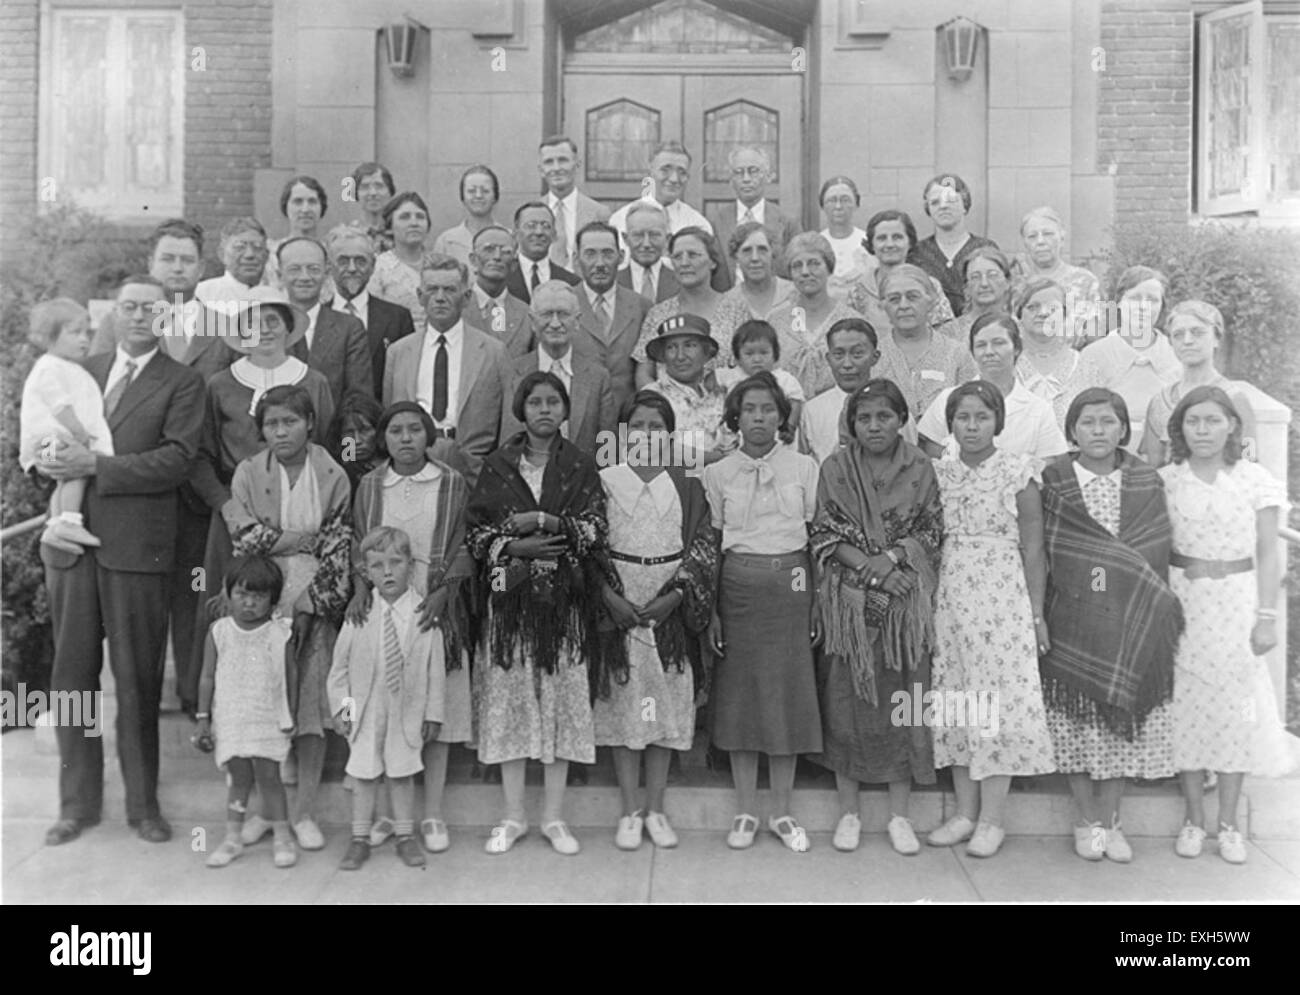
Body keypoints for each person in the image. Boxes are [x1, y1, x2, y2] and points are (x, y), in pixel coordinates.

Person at [39, 273, 206, 847]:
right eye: (128, 307)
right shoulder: (79, 368)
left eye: (150, 309)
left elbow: (178, 460)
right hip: (72, 546)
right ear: (112, 314)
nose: (138, 317)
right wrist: (53, 458)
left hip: (138, 548)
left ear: (167, 318)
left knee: (136, 682)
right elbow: (41, 435)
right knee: (71, 679)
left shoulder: (182, 383)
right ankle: (76, 804)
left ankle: (143, 806)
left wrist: (96, 469)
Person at [466, 371, 618, 856]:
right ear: (521, 409)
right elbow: (476, 534)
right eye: (535, 402)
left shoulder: (579, 464)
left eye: (554, 401)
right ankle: (512, 817)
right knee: (510, 704)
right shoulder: (497, 465)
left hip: (564, 604)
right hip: (509, 603)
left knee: (559, 704)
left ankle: (553, 817)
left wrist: (551, 524)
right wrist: (516, 543)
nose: (544, 410)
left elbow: (597, 529)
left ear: (566, 409)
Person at [91, 219, 234, 714]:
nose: (177, 268)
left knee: (194, 592)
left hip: (195, 490)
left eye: (187, 259)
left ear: (202, 267)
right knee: (140, 603)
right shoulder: (121, 321)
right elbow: (102, 402)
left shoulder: (219, 324)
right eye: (168, 258)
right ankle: (143, 703)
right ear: (152, 264)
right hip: (137, 492)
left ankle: (193, 696)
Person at [1039, 388, 1182, 864]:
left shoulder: (1145, 479)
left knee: (1118, 723)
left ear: (1124, 428)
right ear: (1072, 431)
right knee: (1077, 725)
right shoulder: (1054, 479)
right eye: (1087, 423)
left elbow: (1152, 548)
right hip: (1072, 616)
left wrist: (1124, 590)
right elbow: (1051, 547)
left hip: (1126, 617)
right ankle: (1086, 821)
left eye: (1107, 422)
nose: (1098, 431)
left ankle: (1112, 820)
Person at [811, 379, 944, 855]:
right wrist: (873, 571)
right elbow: (826, 531)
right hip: (850, 602)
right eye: (864, 418)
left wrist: (892, 561)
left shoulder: (921, 466)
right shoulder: (836, 467)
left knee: (902, 699)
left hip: (903, 604)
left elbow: (930, 528)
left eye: (884, 416)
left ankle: (899, 815)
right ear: (851, 424)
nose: (873, 426)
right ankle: (848, 811)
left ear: (902, 419)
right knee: (847, 698)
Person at [1160, 386, 1293, 864]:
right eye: (1193, 421)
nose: (1203, 430)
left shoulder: (1255, 480)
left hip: (1236, 605)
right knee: (1188, 712)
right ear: (1180, 428)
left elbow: (1267, 550)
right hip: (1183, 604)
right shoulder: (1167, 480)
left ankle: (1229, 824)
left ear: (1232, 426)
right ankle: (1194, 819)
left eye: (1213, 421)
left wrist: (1266, 616)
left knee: (1237, 712)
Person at [926, 381, 1055, 858]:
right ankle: (963, 813)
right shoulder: (938, 473)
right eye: (963, 418)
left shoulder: (1018, 472)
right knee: (957, 700)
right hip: (952, 598)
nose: (972, 426)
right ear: (951, 423)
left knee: (996, 704)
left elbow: (1034, 548)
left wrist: (1037, 614)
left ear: (997, 421)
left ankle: (992, 819)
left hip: (1002, 600)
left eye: (982, 417)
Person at [222, 384, 352, 853]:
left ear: (310, 424)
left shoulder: (332, 472)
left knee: (311, 708)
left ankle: (303, 812)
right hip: (261, 600)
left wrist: (311, 606)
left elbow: (338, 546)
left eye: (290, 422)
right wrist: (300, 539)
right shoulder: (248, 473)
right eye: (272, 424)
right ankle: (266, 810)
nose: (281, 431)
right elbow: (245, 537)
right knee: (263, 710)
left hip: (314, 603)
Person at [595, 391, 720, 850]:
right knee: (626, 704)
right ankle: (629, 809)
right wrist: (609, 596)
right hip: (622, 605)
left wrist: (679, 593)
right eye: (638, 426)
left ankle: (658, 807)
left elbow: (705, 544)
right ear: (623, 434)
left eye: (657, 427)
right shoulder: (604, 480)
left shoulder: (687, 481)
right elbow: (589, 547)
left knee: (665, 703)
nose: (647, 435)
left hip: (666, 606)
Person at [704, 372, 822, 851]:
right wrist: (711, 609)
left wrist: (815, 600)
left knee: (786, 697)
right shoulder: (717, 473)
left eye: (768, 409)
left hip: (790, 582)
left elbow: (814, 541)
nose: (758, 418)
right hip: (738, 587)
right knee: (741, 699)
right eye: (749, 409)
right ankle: (747, 811)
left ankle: (783, 812)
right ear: (736, 417)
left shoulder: (805, 468)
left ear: (781, 416)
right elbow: (712, 544)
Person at [350, 403, 474, 856]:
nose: (406, 439)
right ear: (384, 439)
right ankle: (385, 812)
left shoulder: (451, 482)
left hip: (434, 606)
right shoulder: (369, 484)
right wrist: (362, 588)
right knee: (385, 710)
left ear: (429, 436)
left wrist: (444, 595)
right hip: (385, 607)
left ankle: (434, 812)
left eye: (415, 430)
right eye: (396, 431)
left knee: (431, 711)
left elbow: (466, 542)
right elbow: (357, 541)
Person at [329, 525, 443, 870]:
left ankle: (405, 836)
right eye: (378, 566)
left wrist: (433, 714)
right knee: (364, 772)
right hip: (367, 707)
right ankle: (359, 838)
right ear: (366, 572)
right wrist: (344, 711)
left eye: (396, 562)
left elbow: (434, 669)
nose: (388, 571)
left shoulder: (424, 613)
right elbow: (340, 671)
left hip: (405, 708)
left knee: (402, 771)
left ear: (411, 564)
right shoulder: (359, 614)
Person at [193, 555, 298, 869]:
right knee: (239, 778)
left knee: (269, 777)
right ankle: (232, 838)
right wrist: (202, 719)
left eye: (258, 596)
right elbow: (207, 676)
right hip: (231, 717)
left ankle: (282, 836)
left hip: (267, 716)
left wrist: (290, 713)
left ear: (272, 599)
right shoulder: (219, 631)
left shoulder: (280, 633)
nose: (249, 603)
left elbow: (290, 675)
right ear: (228, 593)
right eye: (242, 594)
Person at [381, 253, 513, 486]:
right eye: (432, 290)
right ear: (420, 297)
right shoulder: (399, 352)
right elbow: (389, 413)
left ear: (467, 297)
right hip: (413, 464)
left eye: (450, 290)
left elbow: (508, 424)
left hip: (474, 468)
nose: (440, 298)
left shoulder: (493, 352)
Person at [20, 299, 112, 553]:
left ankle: (56, 525)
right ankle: (70, 520)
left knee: (64, 476)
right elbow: (60, 406)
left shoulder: (66, 367)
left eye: (87, 333)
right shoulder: (49, 368)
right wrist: (80, 432)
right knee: (75, 470)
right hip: (49, 439)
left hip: (47, 440)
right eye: (74, 333)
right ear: (49, 337)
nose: (84, 339)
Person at [918, 313, 1066, 462]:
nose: (989, 352)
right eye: (981, 345)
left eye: (999, 343)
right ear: (972, 352)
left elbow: (1048, 466)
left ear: (1017, 348)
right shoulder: (947, 399)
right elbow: (933, 458)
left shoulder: (1038, 410)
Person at [502, 281, 617, 455]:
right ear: (533, 321)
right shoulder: (511, 372)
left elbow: (607, 450)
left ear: (577, 321)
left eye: (563, 314)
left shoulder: (598, 377)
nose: (555, 323)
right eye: (547, 314)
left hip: (581, 480)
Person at [1141, 300, 1256, 468]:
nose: (1187, 341)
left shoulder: (1234, 399)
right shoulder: (1159, 402)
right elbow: (1153, 467)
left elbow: (1249, 461)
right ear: (1171, 342)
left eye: (1197, 332)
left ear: (1216, 338)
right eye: (1178, 334)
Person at [1080, 265, 1181, 453]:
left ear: (1162, 306)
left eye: (1152, 300)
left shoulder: (1177, 354)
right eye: (1134, 298)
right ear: (1118, 302)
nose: (1143, 307)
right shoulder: (1093, 356)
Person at [870, 263, 977, 439]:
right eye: (894, 299)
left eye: (913, 297)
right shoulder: (873, 357)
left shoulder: (957, 353)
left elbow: (971, 412)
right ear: (883, 306)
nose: (903, 305)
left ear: (931, 300)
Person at [632, 227, 748, 386]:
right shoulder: (658, 314)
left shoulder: (736, 311)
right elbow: (643, 372)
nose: (684, 263)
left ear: (713, 262)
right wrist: (660, 402)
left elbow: (748, 367)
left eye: (693, 255)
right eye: (678, 256)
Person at [325, 222, 417, 399]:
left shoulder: (398, 318)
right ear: (329, 266)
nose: (352, 268)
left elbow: (405, 380)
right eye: (343, 261)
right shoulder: (317, 317)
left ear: (373, 266)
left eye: (360, 261)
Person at [281, 236, 373, 406]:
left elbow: (358, 399)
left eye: (314, 269)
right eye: (294, 269)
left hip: (334, 431)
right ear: (280, 273)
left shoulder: (349, 328)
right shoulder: (262, 327)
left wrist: (347, 434)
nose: (305, 277)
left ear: (327, 272)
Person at [768, 232, 861, 399]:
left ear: (829, 267)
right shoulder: (776, 322)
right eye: (797, 266)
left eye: (814, 264)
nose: (805, 272)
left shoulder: (852, 321)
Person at [573, 221, 651, 412]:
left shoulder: (642, 307)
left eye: (607, 253)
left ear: (621, 257)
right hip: (577, 418)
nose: (600, 263)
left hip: (626, 420)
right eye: (590, 254)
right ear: (576, 259)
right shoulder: (564, 304)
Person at [849, 210, 958, 339]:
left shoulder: (930, 286)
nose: (889, 244)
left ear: (910, 242)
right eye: (882, 238)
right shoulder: (858, 290)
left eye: (897, 237)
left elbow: (948, 335)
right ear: (871, 244)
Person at [641, 314, 733, 466]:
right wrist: (714, 458)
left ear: (706, 353)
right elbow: (651, 447)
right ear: (663, 356)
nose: (680, 356)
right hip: (674, 484)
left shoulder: (722, 394)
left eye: (689, 346)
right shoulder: (652, 397)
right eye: (671, 348)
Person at [1014, 277, 1105, 430]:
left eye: (1052, 308)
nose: (1043, 313)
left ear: (1064, 314)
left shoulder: (1086, 366)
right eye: (1032, 307)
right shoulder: (1005, 365)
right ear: (1019, 315)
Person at [909, 173, 998, 317]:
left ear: (965, 205)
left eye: (951, 200)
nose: (943, 206)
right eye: (935, 202)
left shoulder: (985, 249)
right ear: (928, 209)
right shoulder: (917, 253)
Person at [1009, 206, 1101, 344]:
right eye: (1032, 236)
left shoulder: (1085, 282)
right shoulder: (1015, 286)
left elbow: (1095, 336)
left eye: (1048, 234)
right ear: (1025, 243)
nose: (1040, 241)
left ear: (1062, 238)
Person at [799, 317, 880, 466]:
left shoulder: (892, 407)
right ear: (828, 359)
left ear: (875, 357)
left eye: (857, 354)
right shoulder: (811, 410)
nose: (847, 364)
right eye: (838, 355)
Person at [714, 147, 799, 281]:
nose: (746, 179)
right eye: (739, 172)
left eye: (753, 171)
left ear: (768, 176)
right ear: (731, 180)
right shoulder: (716, 222)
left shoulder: (787, 223)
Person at [715, 319, 804, 445]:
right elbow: (709, 380)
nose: (757, 359)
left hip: (778, 441)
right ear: (737, 358)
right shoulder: (732, 375)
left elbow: (796, 402)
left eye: (764, 353)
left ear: (775, 355)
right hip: (737, 443)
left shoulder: (784, 379)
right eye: (749, 354)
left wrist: (790, 427)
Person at [609, 140, 713, 238]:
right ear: (650, 172)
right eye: (665, 170)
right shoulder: (621, 220)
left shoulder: (697, 224)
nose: (674, 179)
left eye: (682, 172)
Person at [539, 134, 611, 269]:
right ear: (541, 170)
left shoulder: (599, 213)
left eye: (563, 160)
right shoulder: (531, 213)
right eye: (549, 162)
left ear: (577, 165)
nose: (556, 168)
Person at [463, 225, 533, 358]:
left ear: (514, 264)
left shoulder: (526, 314)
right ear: (473, 259)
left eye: (505, 251)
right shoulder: (455, 309)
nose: (497, 257)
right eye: (488, 249)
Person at [368, 191, 433, 329]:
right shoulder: (378, 267)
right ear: (390, 227)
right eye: (405, 217)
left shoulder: (438, 264)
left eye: (420, 217)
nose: (414, 223)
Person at [265, 175, 332, 296]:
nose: (305, 209)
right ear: (286, 206)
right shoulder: (270, 255)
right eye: (298, 202)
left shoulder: (331, 254)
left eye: (312, 202)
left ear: (321, 207)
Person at [506, 201, 580, 304]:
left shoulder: (571, 282)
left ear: (554, 234)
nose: (539, 232)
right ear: (515, 232)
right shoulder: (501, 277)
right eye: (531, 225)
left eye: (546, 226)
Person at [196, 216, 270, 313]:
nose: (250, 254)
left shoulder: (276, 297)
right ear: (222, 254)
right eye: (240, 247)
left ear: (266, 255)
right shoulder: (202, 295)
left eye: (257, 247)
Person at [432, 164, 502, 266]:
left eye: (485, 191)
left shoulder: (508, 238)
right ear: (462, 197)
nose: (478, 196)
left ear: (495, 197)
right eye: (471, 191)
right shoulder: (446, 241)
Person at [723, 221, 793, 319]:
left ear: (773, 253)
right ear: (736, 256)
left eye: (762, 250)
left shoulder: (794, 294)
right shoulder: (728, 303)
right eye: (747, 251)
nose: (755, 258)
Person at [817, 175, 870, 302]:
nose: (838, 206)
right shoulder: (815, 243)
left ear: (856, 204)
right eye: (832, 200)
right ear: (822, 205)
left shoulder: (868, 242)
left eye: (845, 200)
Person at [616, 201, 679, 303]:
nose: (646, 244)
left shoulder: (681, 281)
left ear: (667, 239)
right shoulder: (612, 282)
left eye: (654, 235)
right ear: (625, 239)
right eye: (638, 235)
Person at [953, 245, 1014, 344]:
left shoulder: (1025, 330)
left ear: (1008, 281)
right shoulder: (949, 333)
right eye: (975, 277)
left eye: (992, 275)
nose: (984, 283)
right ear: (966, 287)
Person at [328, 390, 385, 492]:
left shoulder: (394, 466)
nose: (357, 440)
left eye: (365, 430)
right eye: (349, 432)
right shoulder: (334, 472)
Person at [350, 161, 396, 251]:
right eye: (365, 187)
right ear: (356, 193)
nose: (373, 193)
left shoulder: (400, 232)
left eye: (379, 186)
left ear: (390, 192)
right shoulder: (348, 235)